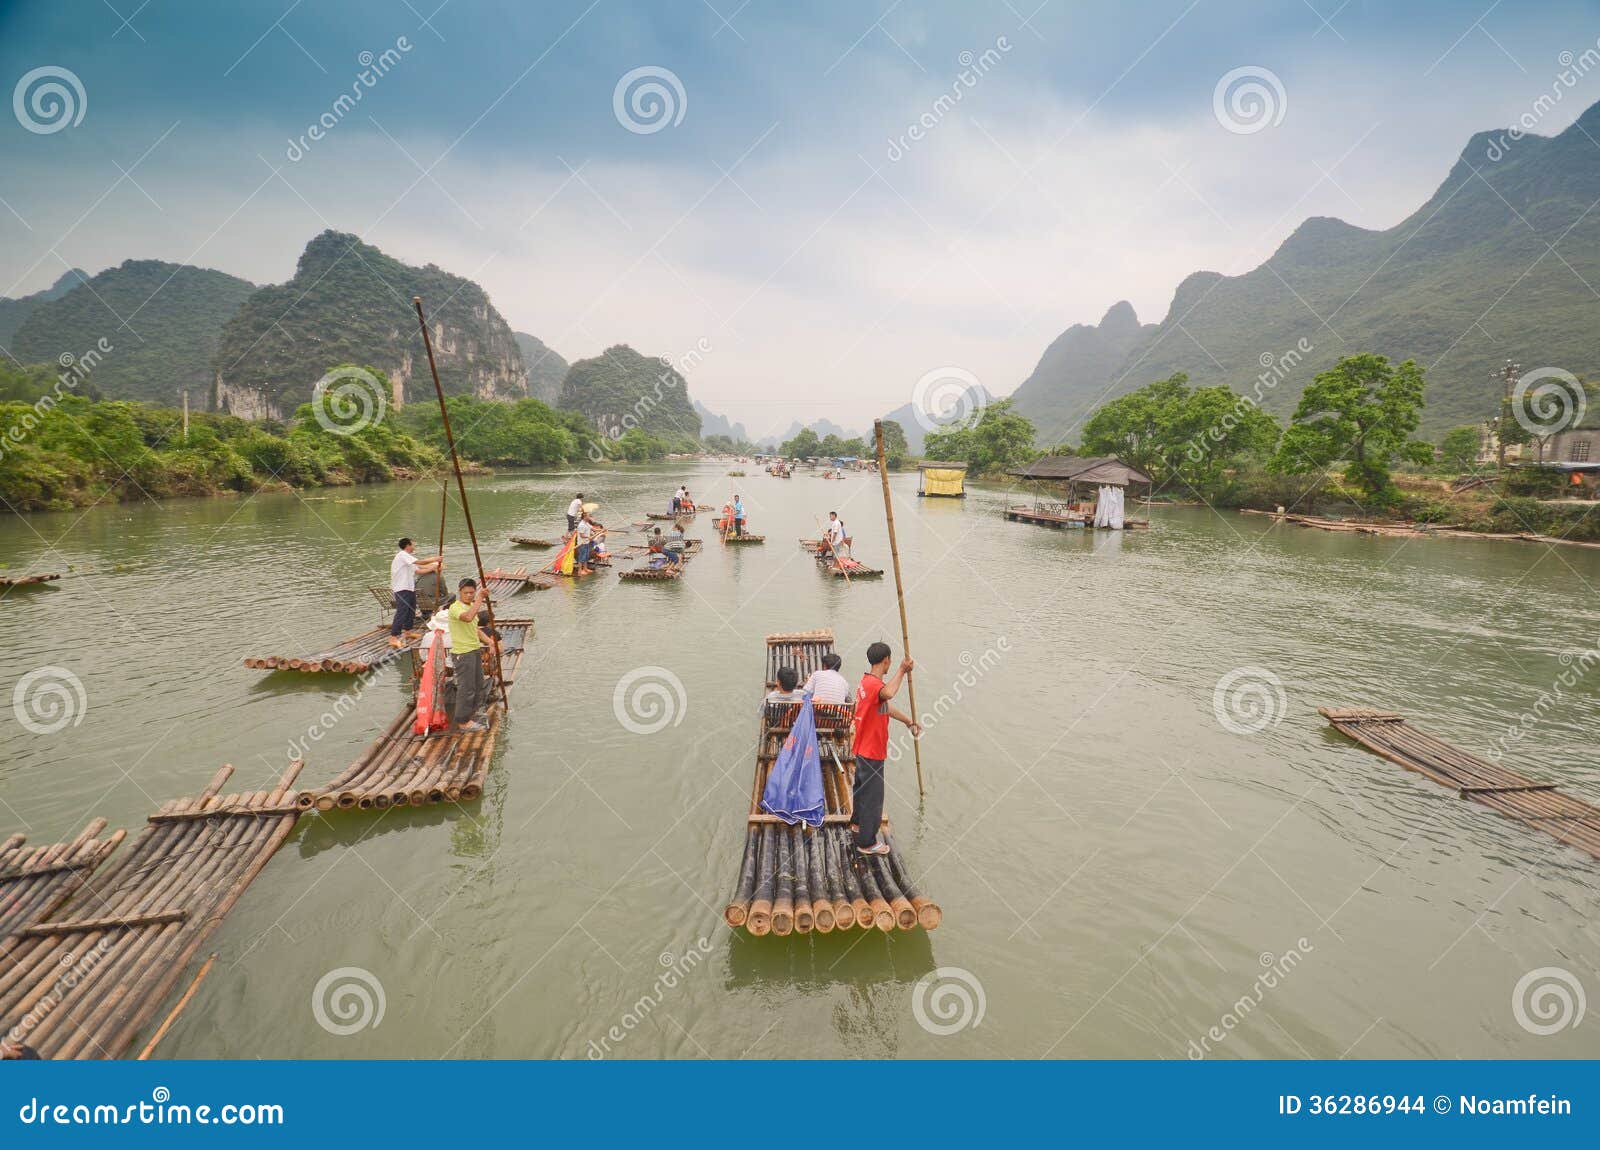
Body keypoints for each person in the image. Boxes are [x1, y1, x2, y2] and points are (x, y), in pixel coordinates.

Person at [851, 642, 921, 856]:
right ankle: (867, 843)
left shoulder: (866, 682)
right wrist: (902, 669)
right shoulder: (875, 686)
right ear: (886, 660)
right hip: (872, 750)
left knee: (861, 790)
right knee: (873, 797)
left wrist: (908, 721)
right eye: (891, 662)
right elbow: (889, 693)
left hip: (862, 747)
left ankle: (856, 823)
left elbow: (885, 706)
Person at [447, 578, 497, 732]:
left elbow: (475, 628)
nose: (469, 595)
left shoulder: (471, 606)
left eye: (471, 592)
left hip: (474, 650)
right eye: (466, 593)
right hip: (463, 653)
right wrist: (480, 598)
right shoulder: (455, 608)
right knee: (466, 688)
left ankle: (471, 714)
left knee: (477, 684)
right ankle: (462, 721)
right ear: (460, 592)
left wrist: (489, 641)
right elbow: (468, 618)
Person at [389, 538, 443, 649]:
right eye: (413, 545)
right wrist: (435, 559)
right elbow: (420, 562)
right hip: (401, 588)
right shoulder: (402, 555)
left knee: (411, 610)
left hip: (409, 588)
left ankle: (407, 631)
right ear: (407, 545)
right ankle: (393, 637)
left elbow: (419, 570)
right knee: (402, 611)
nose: (414, 547)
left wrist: (434, 567)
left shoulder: (408, 560)